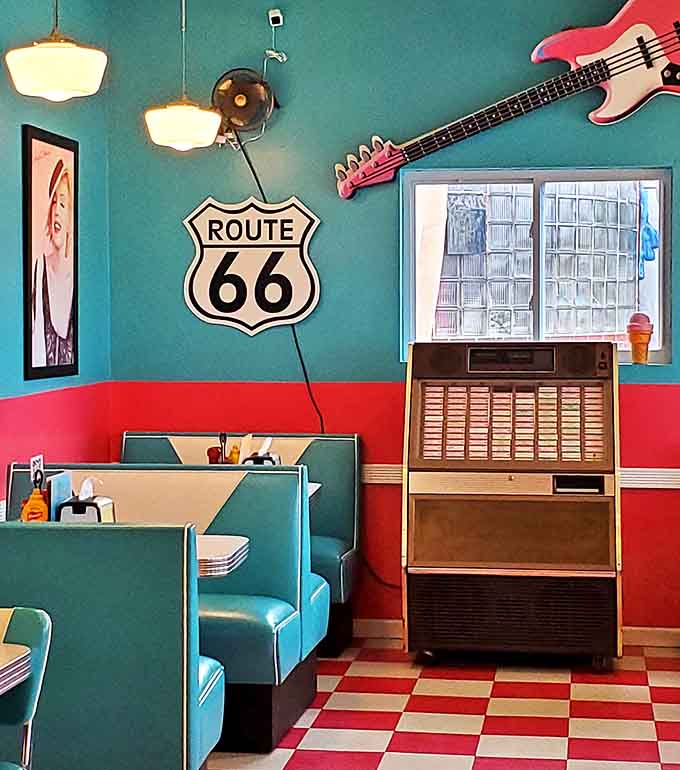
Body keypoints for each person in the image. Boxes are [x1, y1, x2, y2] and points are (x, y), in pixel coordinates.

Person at [31, 158, 75, 367]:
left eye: (64, 204)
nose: (57, 209)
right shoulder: (39, 271)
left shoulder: (79, 280)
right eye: (54, 201)